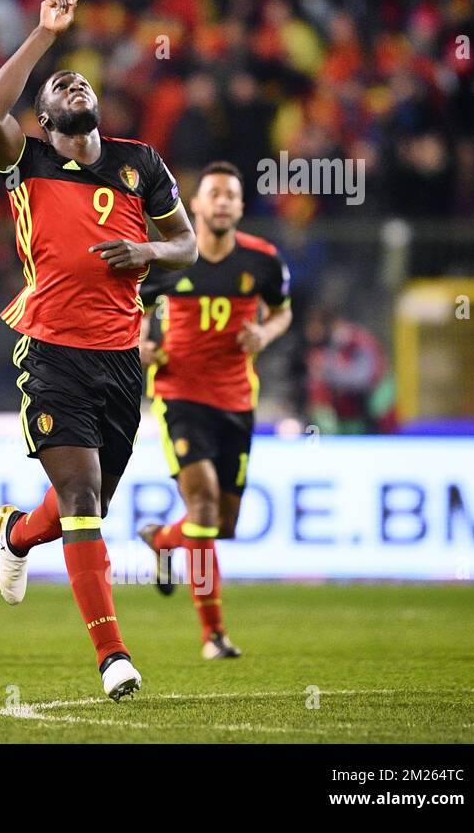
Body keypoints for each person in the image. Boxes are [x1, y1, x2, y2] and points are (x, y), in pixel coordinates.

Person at [0, 0, 197, 701]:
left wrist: (150, 257)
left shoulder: (141, 162)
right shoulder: (27, 160)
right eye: (58, 85)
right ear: (43, 119)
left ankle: (15, 536)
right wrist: (44, 35)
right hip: (50, 349)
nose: (72, 82)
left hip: (121, 359)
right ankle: (112, 657)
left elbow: (188, 247)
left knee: (85, 505)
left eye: (78, 77)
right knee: (78, 491)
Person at [136, 160, 293, 658]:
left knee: (223, 525)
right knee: (202, 508)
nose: (222, 201)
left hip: (237, 401)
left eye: (231, 195)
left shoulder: (264, 261)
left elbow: (283, 311)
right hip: (179, 396)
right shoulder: (168, 262)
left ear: (241, 207)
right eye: (214, 194)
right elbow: (125, 311)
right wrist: (139, 344)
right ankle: (213, 635)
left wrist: (263, 333)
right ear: (197, 205)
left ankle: (161, 540)